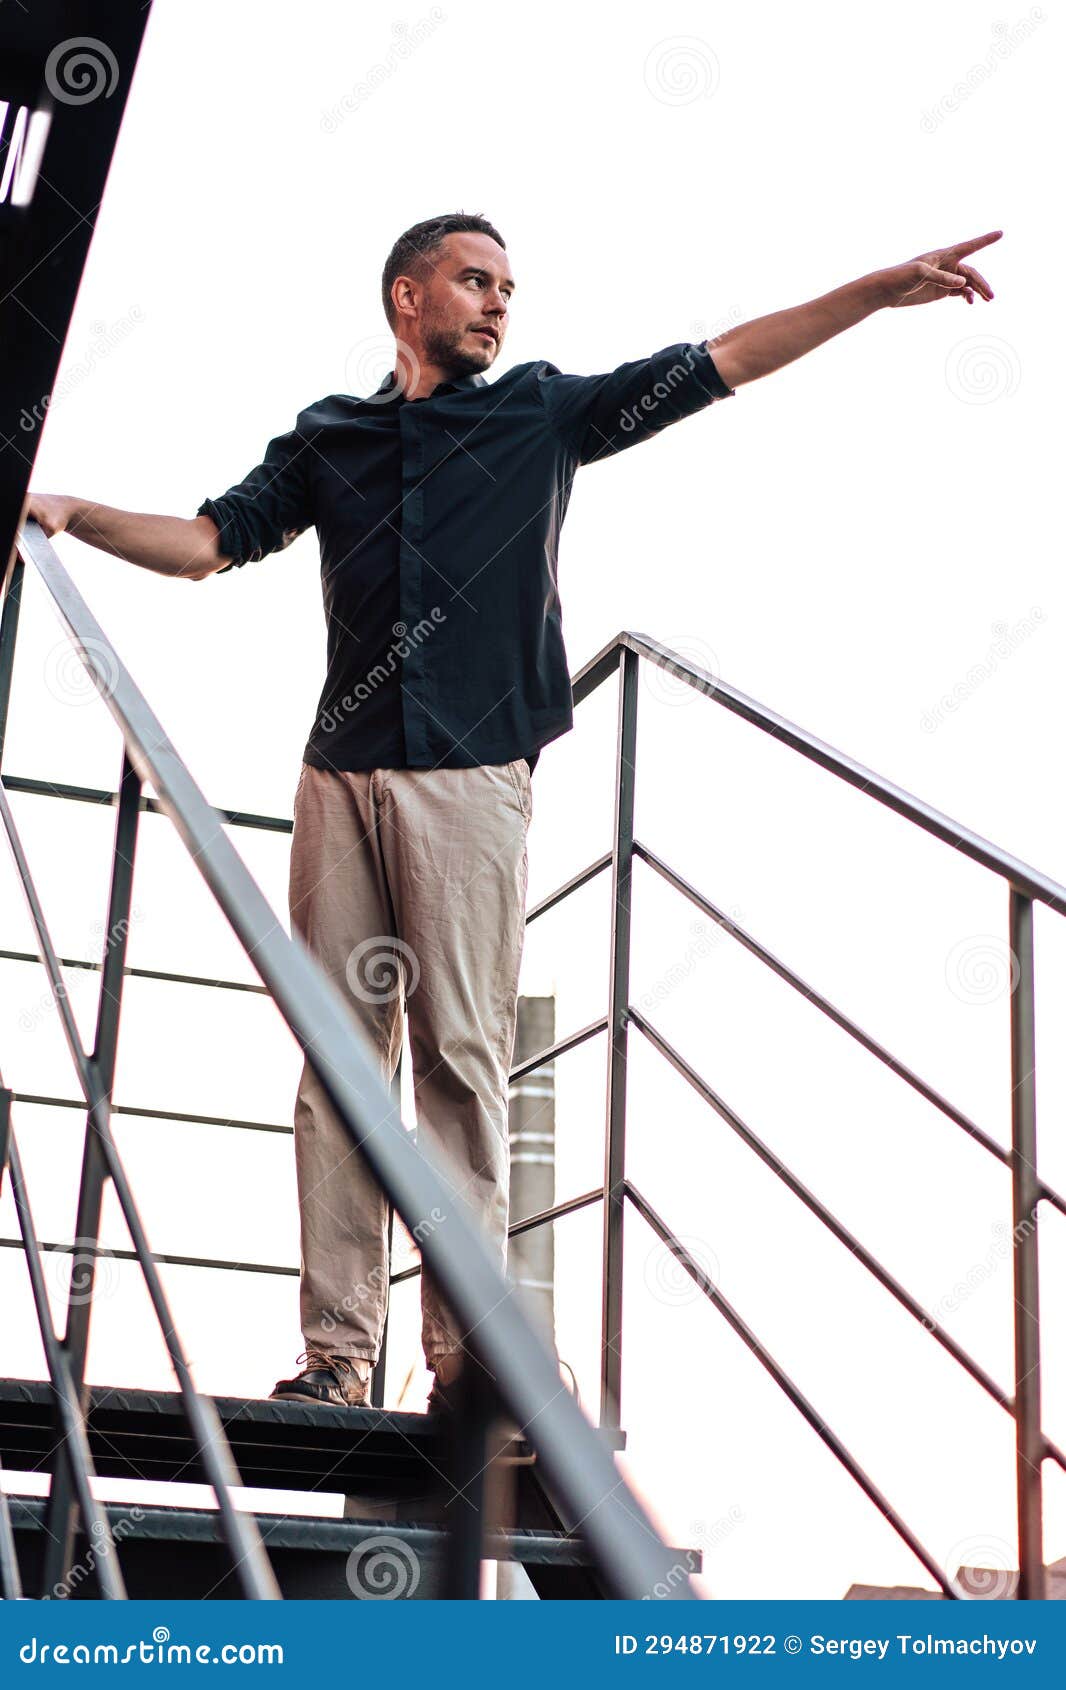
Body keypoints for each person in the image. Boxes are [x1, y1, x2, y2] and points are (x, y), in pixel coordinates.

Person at [23, 213, 1001, 1414]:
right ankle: (335, 1359)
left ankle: (467, 1356)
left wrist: (868, 294)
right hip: (339, 776)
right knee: (336, 1070)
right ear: (406, 296)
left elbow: (720, 361)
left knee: (459, 1061)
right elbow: (209, 543)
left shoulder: (542, 412)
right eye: (474, 282)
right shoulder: (329, 438)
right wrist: (70, 507)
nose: (495, 304)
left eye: (507, 289)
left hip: (474, 776)